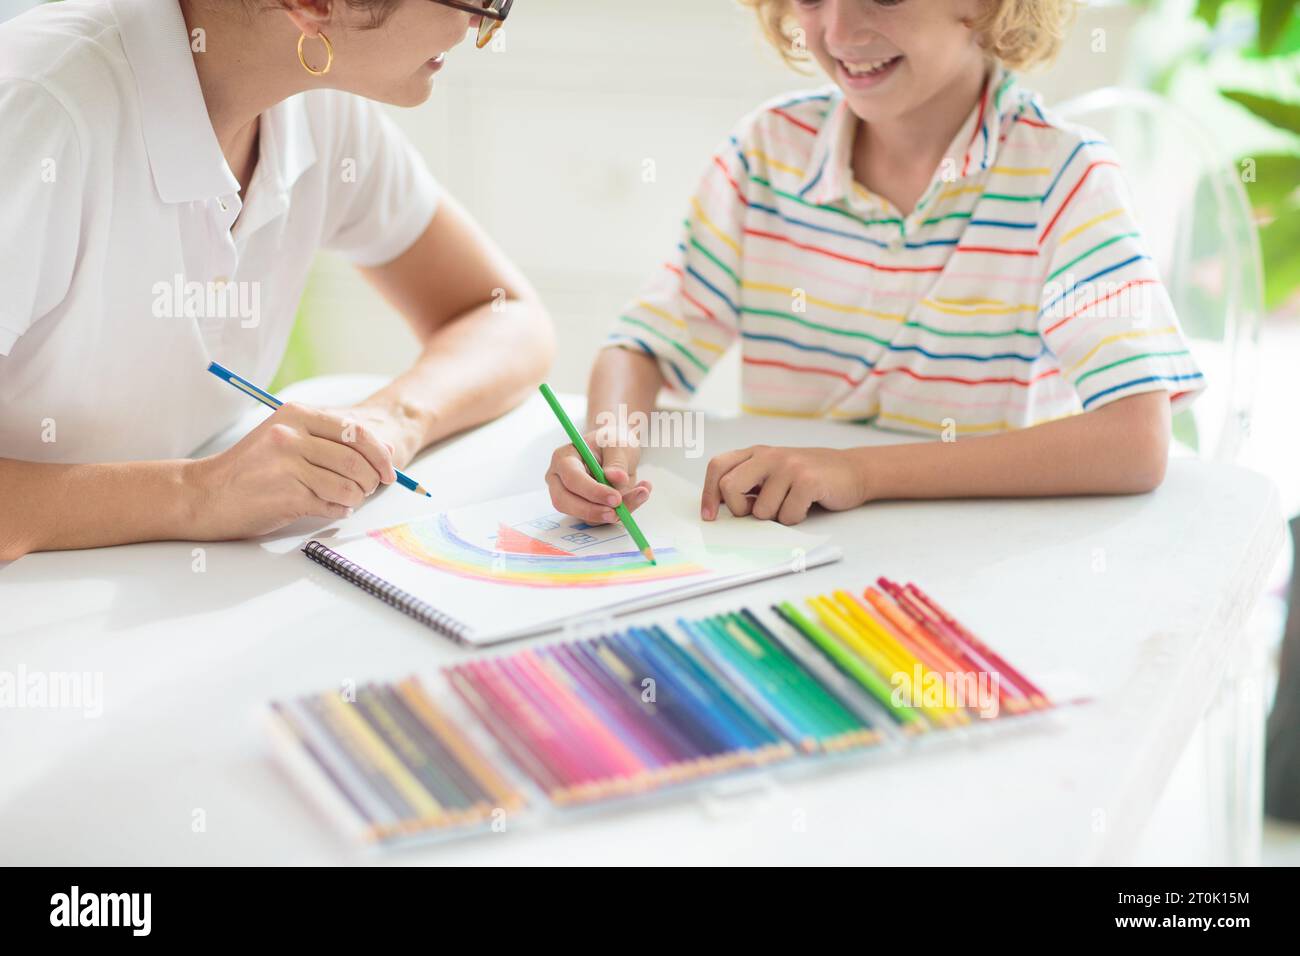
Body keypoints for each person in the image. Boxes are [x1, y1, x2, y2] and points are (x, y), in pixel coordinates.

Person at [545, 0, 1205, 528]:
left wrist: (859, 473)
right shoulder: (765, 155)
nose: (838, 30)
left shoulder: (1063, 178)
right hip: (790, 561)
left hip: (977, 567)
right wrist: (608, 443)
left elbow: (1135, 441)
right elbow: (644, 347)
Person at [0, 0, 552, 560]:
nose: (485, 21)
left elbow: (502, 314)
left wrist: (390, 421)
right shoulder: (37, 109)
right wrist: (196, 493)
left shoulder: (311, 105)